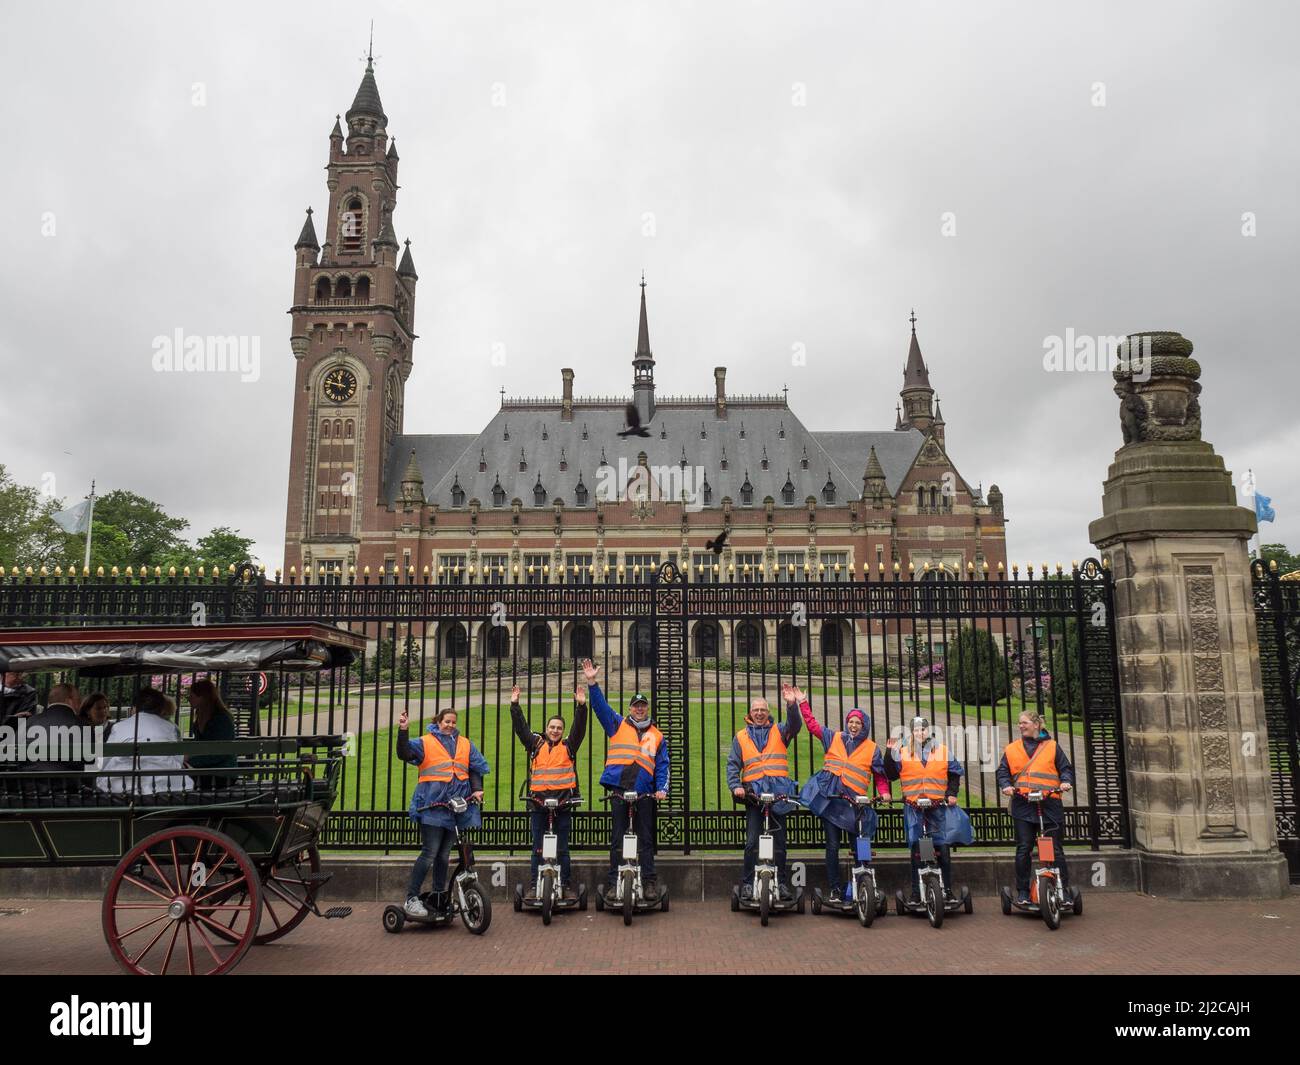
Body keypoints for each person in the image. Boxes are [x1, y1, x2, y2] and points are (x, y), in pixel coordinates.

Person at [793, 684, 891, 903]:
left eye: (858, 723)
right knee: (833, 846)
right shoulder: (834, 737)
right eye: (851, 722)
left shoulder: (872, 748)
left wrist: (884, 793)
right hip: (833, 803)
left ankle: (863, 881)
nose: (853, 726)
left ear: (864, 726)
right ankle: (835, 888)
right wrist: (803, 702)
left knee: (861, 845)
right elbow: (813, 726)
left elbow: (880, 775)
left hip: (856, 804)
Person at [582, 658, 669, 901]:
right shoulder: (618, 724)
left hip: (644, 793)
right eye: (636, 706)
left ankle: (649, 882)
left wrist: (661, 788)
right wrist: (592, 682)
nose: (639, 709)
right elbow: (600, 708)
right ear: (630, 709)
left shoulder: (657, 734)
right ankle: (612, 882)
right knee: (617, 839)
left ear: (647, 708)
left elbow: (663, 766)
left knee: (646, 840)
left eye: (643, 706)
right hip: (619, 789)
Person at [394, 705, 490, 918]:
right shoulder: (425, 742)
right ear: (439, 721)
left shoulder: (465, 743)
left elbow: (475, 767)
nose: (450, 725)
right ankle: (411, 898)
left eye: (454, 722)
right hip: (432, 806)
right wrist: (403, 730)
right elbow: (404, 753)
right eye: (447, 721)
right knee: (430, 853)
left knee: (444, 855)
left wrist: (477, 790)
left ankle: (438, 896)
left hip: (455, 807)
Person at [510, 682, 588, 899]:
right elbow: (521, 729)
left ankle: (565, 884)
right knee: (538, 847)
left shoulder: (568, 746)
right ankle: (535, 884)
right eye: (552, 727)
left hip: (563, 804)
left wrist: (581, 707)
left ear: (562, 732)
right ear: (546, 729)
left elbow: (579, 729)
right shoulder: (536, 744)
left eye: (559, 728)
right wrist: (515, 705)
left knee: (562, 848)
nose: (555, 730)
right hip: (538, 803)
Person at [727, 689, 802, 901]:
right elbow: (733, 764)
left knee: (780, 844)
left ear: (768, 712)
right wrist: (735, 786)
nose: (759, 713)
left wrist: (791, 705)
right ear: (750, 713)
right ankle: (748, 883)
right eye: (756, 710)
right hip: (754, 797)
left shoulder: (780, 731)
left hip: (778, 795)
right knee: (751, 842)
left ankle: (782, 883)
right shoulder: (741, 736)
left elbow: (795, 725)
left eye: (763, 710)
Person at [997, 710, 1075, 905]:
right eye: (1019, 723)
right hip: (1023, 805)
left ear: (1036, 724)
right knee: (1024, 848)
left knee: (1054, 849)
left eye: (1024, 723)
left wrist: (1065, 781)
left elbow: (1065, 768)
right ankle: (1023, 891)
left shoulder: (1052, 747)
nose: (1020, 726)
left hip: (1049, 804)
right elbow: (1003, 772)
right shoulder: (1012, 748)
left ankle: (1061, 889)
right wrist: (1006, 785)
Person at [884, 716, 963, 903]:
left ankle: (947, 890)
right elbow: (891, 774)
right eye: (917, 730)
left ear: (929, 731)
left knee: (943, 849)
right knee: (917, 851)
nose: (920, 732)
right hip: (914, 808)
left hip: (936, 808)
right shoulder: (902, 752)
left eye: (923, 729)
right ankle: (916, 892)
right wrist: (888, 753)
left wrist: (951, 793)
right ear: (912, 732)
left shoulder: (942, 751)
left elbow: (955, 772)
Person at [96, 687, 193, 795]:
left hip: (122, 785)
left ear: (134, 708)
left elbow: (105, 758)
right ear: (161, 708)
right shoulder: (170, 728)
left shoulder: (119, 727)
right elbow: (178, 760)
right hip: (166, 785)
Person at [185, 678, 237, 783]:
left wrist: (190, 761)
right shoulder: (202, 716)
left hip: (222, 774)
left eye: (192, 696)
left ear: (202, 697)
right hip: (208, 771)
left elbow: (220, 753)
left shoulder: (221, 719)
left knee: (178, 779)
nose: (189, 699)